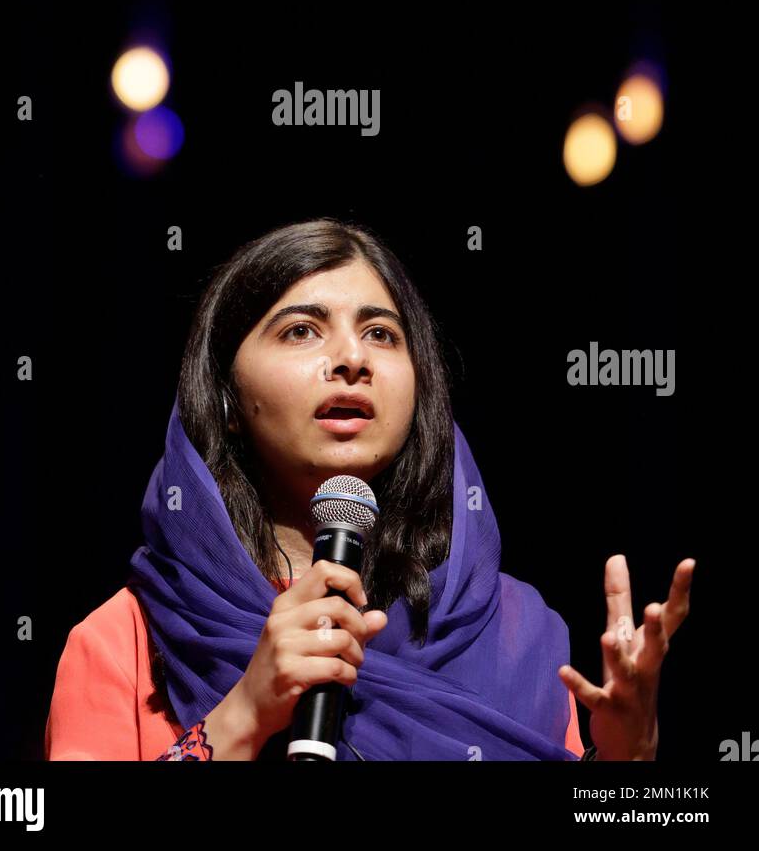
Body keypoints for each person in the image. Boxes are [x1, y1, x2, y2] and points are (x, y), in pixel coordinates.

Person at [44, 218, 693, 761]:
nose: (352, 359)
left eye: (381, 333)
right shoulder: (126, 639)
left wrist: (630, 753)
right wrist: (242, 715)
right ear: (227, 398)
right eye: (301, 329)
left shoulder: (512, 632)